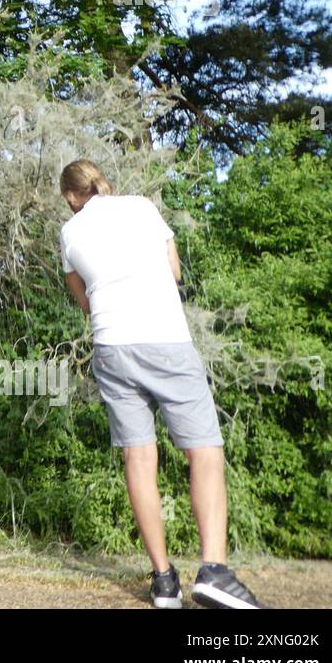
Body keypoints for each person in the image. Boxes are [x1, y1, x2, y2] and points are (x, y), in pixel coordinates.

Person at [58, 159, 266, 609]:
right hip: (165, 339)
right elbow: (174, 273)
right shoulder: (141, 207)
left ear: (72, 198)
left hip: (113, 348)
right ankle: (214, 570)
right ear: (100, 183)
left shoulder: (70, 232)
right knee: (204, 450)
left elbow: (87, 303)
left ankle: (164, 580)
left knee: (138, 455)